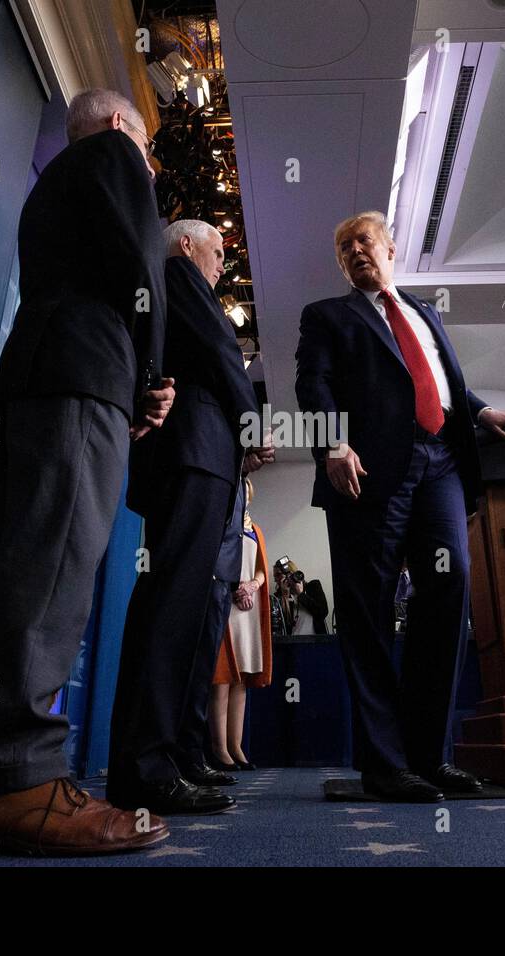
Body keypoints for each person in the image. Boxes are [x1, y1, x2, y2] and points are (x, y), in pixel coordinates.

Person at [0, 89, 175, 856]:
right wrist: (152, 371)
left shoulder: (56, 185)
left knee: (33, 576)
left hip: (44, 379)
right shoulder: (112, 156)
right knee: (52, 582)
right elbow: (145, 262)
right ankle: (18, 780)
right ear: (119, 127)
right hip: (81, 378)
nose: (150, 164)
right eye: (148, 146)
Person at [294, 210, 505, 802]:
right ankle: (384, 763)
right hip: (367, 472)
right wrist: (333, 443)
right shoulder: (328, 316)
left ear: (391, 249)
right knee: (368, 611)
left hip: (443, 465)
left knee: (448, 595)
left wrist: (482, 411)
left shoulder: (425, 311)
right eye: (344, 246)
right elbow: (313, 384)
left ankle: (429, 758)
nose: (355, 251)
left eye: (364, 240)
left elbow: (443, 382)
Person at [107, 220, 272, 815]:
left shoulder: (174, 283)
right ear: (185, 245)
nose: (223, 263)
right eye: (218, 250)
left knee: (182, 611)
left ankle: (167, 758)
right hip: (191, 455)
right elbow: (224, 352)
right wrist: (253, 423)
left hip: (204, 458)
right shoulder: (178, 273)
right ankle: (144, 768)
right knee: (170, 607)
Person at [210, 479, 273, 772]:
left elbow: (262, 569)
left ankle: (236, 747)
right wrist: (235, 586)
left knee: (241, 680)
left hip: (247, 608)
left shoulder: (255, 529)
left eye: (245, 495)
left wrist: (251, 585)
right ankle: (218, 748)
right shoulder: (223, 526)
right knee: (221, 680)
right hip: (226, 603)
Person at [271, 557, 328, 637]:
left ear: (290, 574)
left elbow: (322, 612)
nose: (275, 580)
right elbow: (281, 625)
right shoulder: (277, 597)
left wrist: (301, 594)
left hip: (315, 642)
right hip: (293, 643)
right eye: (274, 576)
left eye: (278, 575)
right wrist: (285, 597)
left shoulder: (313, 586)